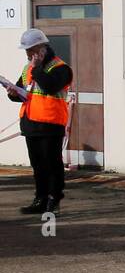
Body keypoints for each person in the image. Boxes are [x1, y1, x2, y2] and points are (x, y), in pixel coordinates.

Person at [9, 29, 72, 216]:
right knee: (38, 165)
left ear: (42, 48)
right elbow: (23, 91)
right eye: (27, 50)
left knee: (52, 164)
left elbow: (51, 87)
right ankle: (40, 198)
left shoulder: (61, 68)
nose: (28, 54)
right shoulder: (28, 68)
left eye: (31, 49)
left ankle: (54, 200)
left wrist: (36, 69)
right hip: (31, 124)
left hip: (51, 124)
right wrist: (13, 93)